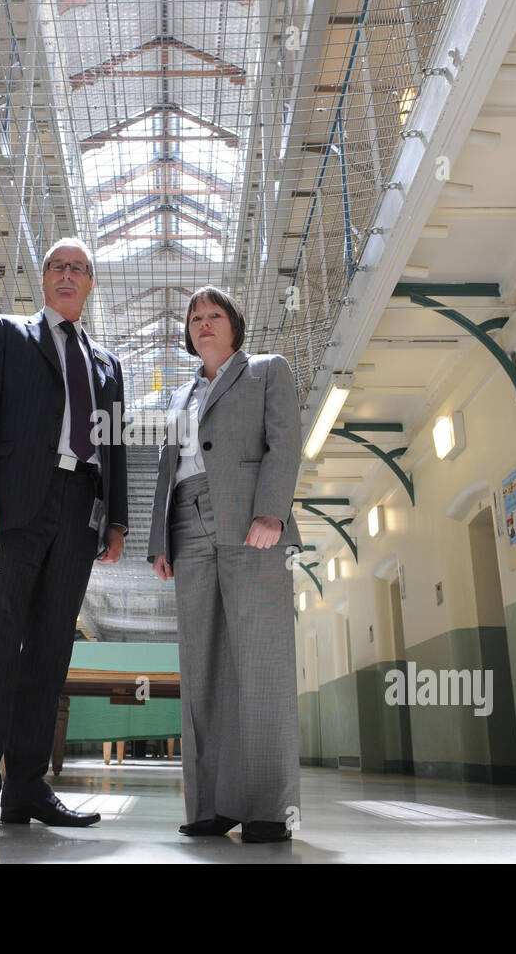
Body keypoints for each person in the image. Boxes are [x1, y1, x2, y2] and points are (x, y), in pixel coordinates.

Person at [0, 237, 127, 838]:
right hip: (15, 506)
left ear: (91, 284)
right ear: (43, 278)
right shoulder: (4, 333)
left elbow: (116, 446)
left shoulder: (108, 365)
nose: (68, 275)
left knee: (50, 653)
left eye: (79, 268)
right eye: (58, 266)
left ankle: (27, 788)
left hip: (78, 512)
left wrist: (118, 518)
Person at [147, 286, 303, 843]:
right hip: (187, 525)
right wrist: (158, 540)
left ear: (235, 324)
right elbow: (169, 470)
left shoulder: (267, 371)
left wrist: (272, 513)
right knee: (201, 666)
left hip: (248, 522)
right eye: (194, 317)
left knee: (260, 661)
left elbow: (286, 443)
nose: (203, 323)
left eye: (214, 314)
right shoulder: (180, 395)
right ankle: (209, 806)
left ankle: (268, 809)